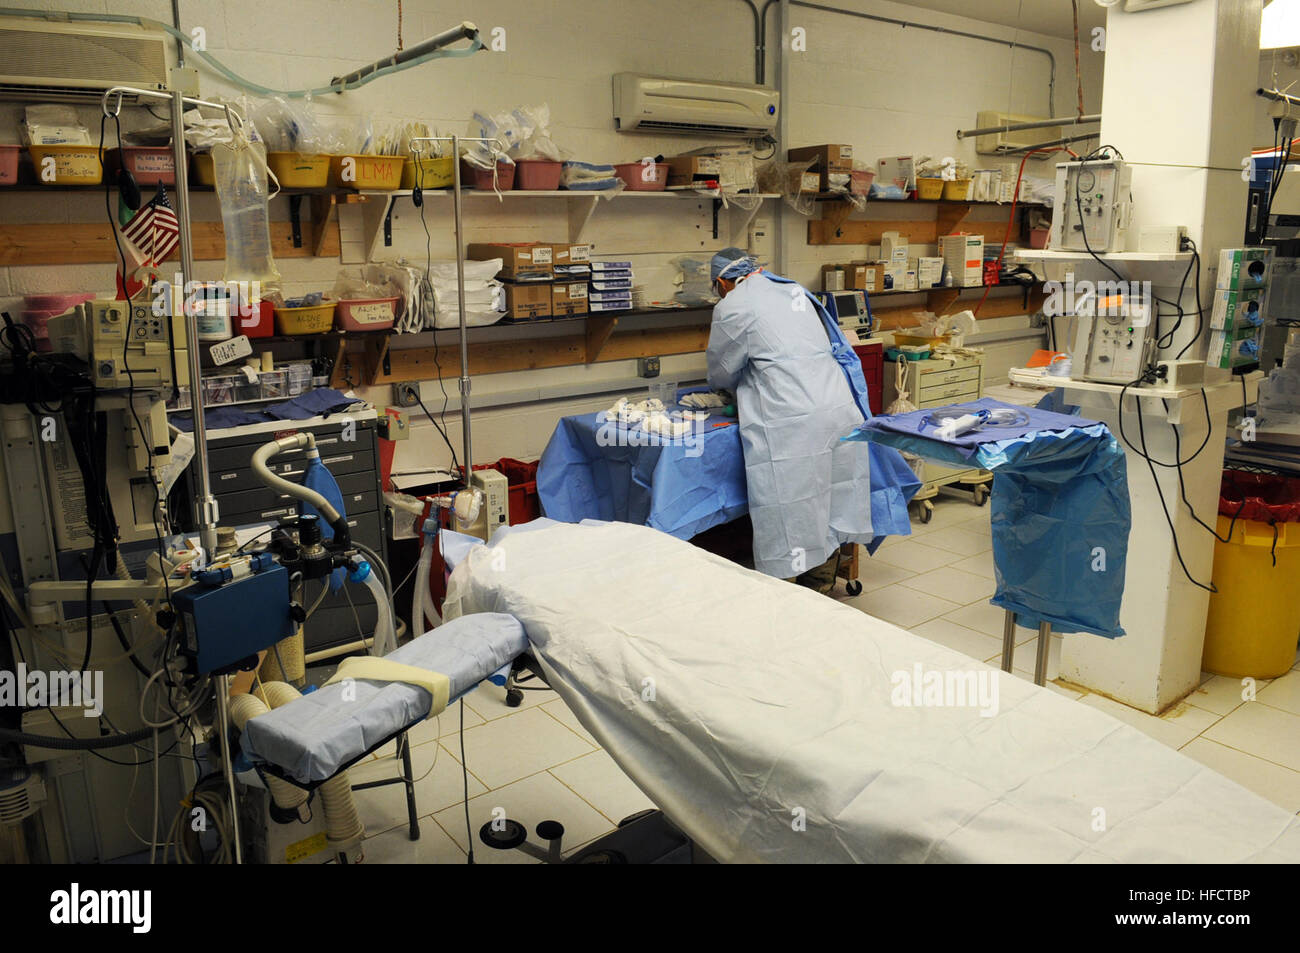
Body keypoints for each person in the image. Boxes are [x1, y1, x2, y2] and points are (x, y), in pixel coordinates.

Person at [706, 247, 875, 586]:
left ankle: (786, 588)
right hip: (836, 403)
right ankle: (823, 577)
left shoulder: (733, 305)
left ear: (723, 282)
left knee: (789, 500)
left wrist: (725, 388)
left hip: (791, 415)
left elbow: (723, 369)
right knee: (830, 492)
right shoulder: (795, 290)